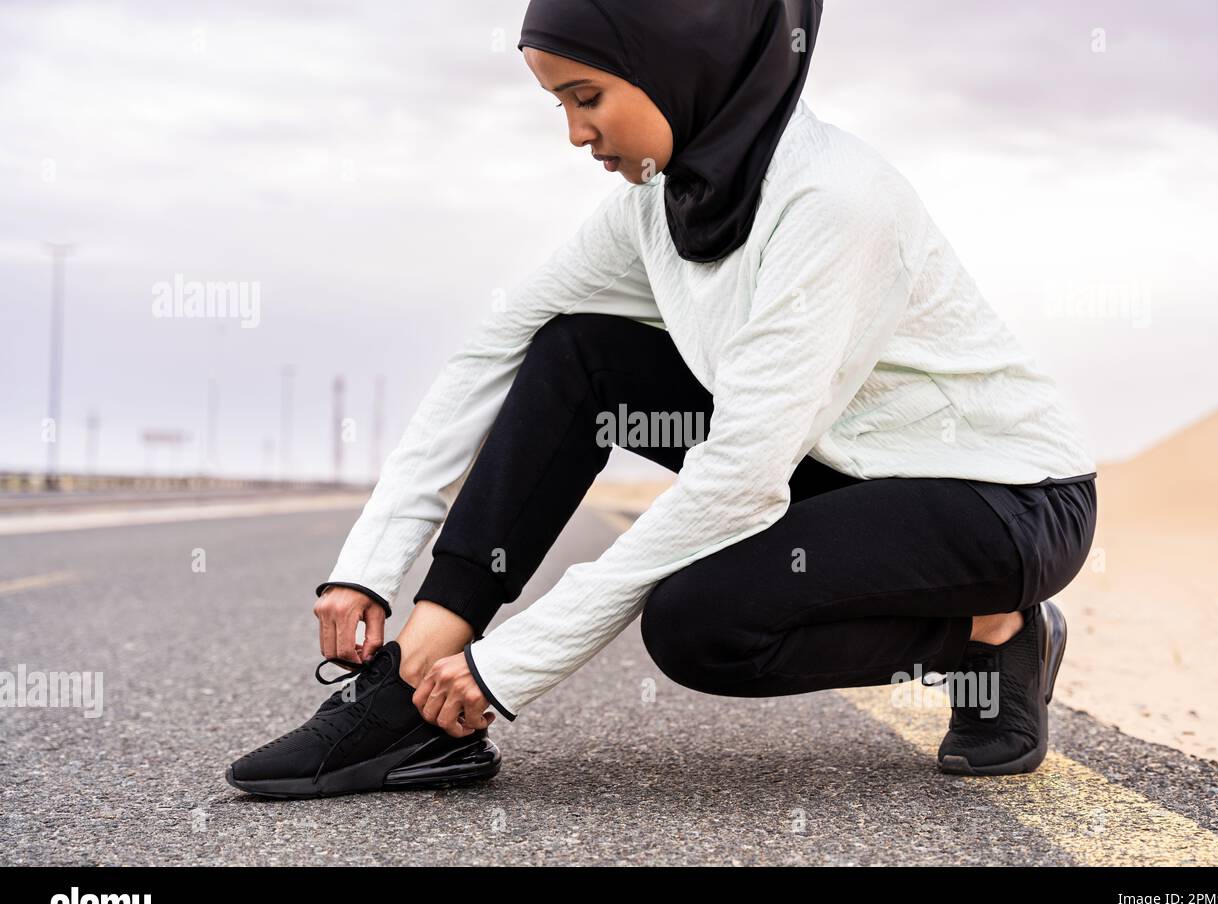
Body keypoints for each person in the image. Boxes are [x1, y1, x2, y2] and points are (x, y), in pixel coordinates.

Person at [226, 0, 1098, 799]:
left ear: (682, 58)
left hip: (1002, 499)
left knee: (701, 622)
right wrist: (369, 561)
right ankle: (418, 677)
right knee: (576, 351)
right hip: (843, 465)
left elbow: (741, 478)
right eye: (559, 105)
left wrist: (511, 667)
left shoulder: (836, 204)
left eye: (588, 96)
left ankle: (994, 635)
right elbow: (497, 344)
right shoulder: (657, 202)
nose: (574, 134)